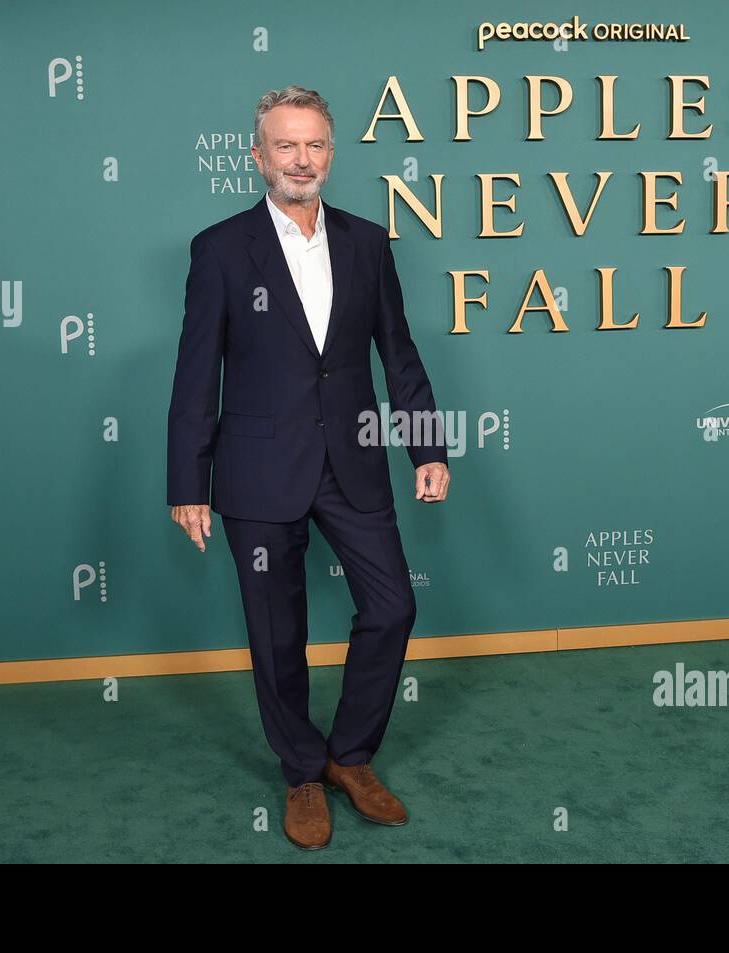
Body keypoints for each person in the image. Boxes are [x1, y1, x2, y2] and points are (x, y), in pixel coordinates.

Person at [166, 85, 451, 850]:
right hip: (259, 471)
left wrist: (426, 443)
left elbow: (399, 350)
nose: (301, 158)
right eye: (285, 145)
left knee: (392, 607)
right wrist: (188, 482)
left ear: (332, 152)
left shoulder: (367, 240)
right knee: (275, 630)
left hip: (353, 461)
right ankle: (300, 770)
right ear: (257, 155)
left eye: (315, 144)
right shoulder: (220, 248)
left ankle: (349, 756)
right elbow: (196, 374)